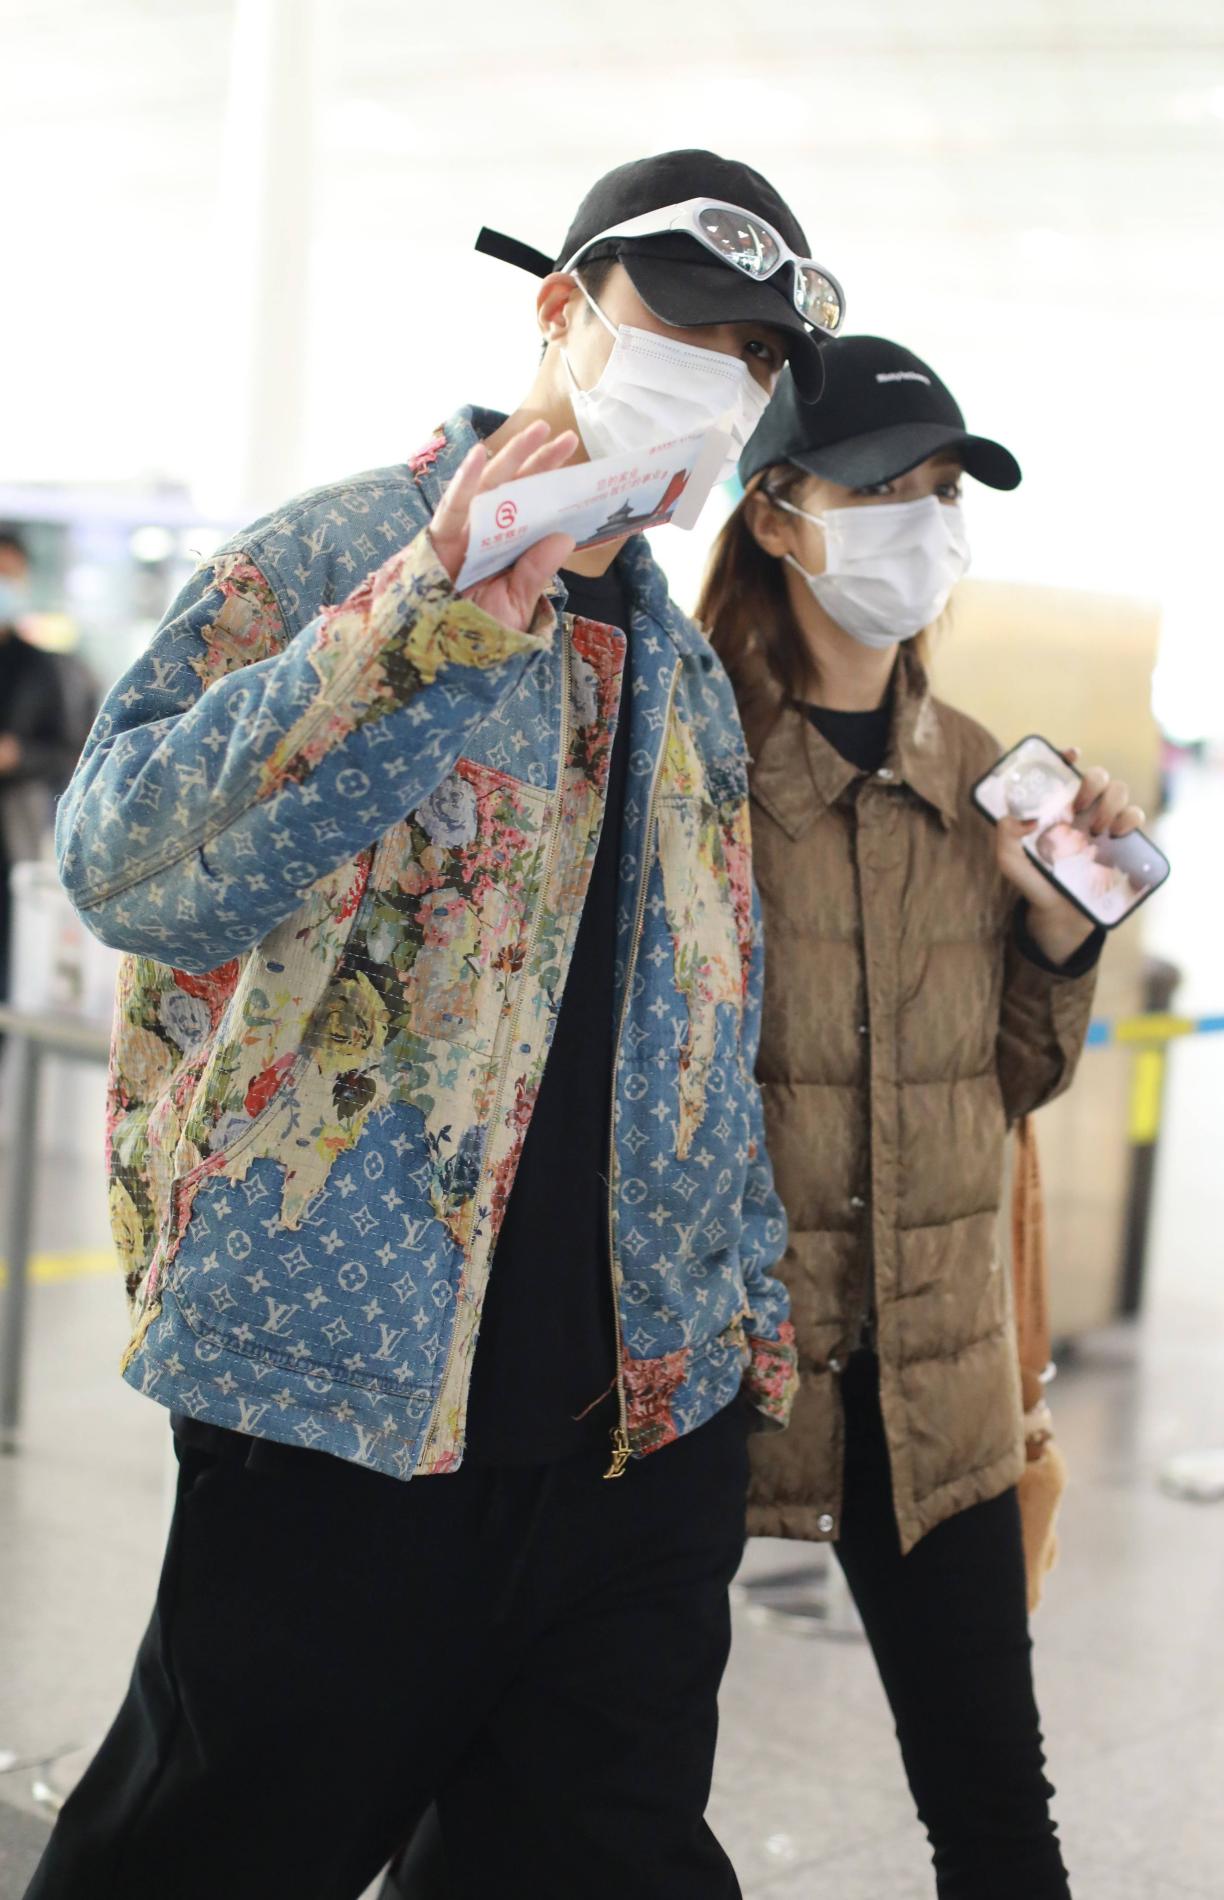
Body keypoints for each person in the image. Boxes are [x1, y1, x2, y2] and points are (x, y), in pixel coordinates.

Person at [25, 150, 841, 1900]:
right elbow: (124, 869)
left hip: (634, 1446)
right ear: (559, 309)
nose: (719, 382)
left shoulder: (681, 664)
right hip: (347, 1415)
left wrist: (739, 1350)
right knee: (218, 1847)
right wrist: (421, 618)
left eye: (754, 364)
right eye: (679, 332)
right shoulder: (329, 551)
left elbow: (703, 1027)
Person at [695, 335, 1148, 1899]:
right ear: (774, 512)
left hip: (932, 1375)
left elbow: (1015, 1081)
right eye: (882, 485)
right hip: (715, 1366)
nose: (921, 520)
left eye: (942, 491)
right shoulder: (695, 769)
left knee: (992, 1810)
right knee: (597, 1788)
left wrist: (1054, 935)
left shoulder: (978, 783)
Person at [0, 528, 83, 1001]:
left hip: (9, 841)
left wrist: (19, 756)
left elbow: (71, 752)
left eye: (9, 575)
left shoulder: (42, 668)